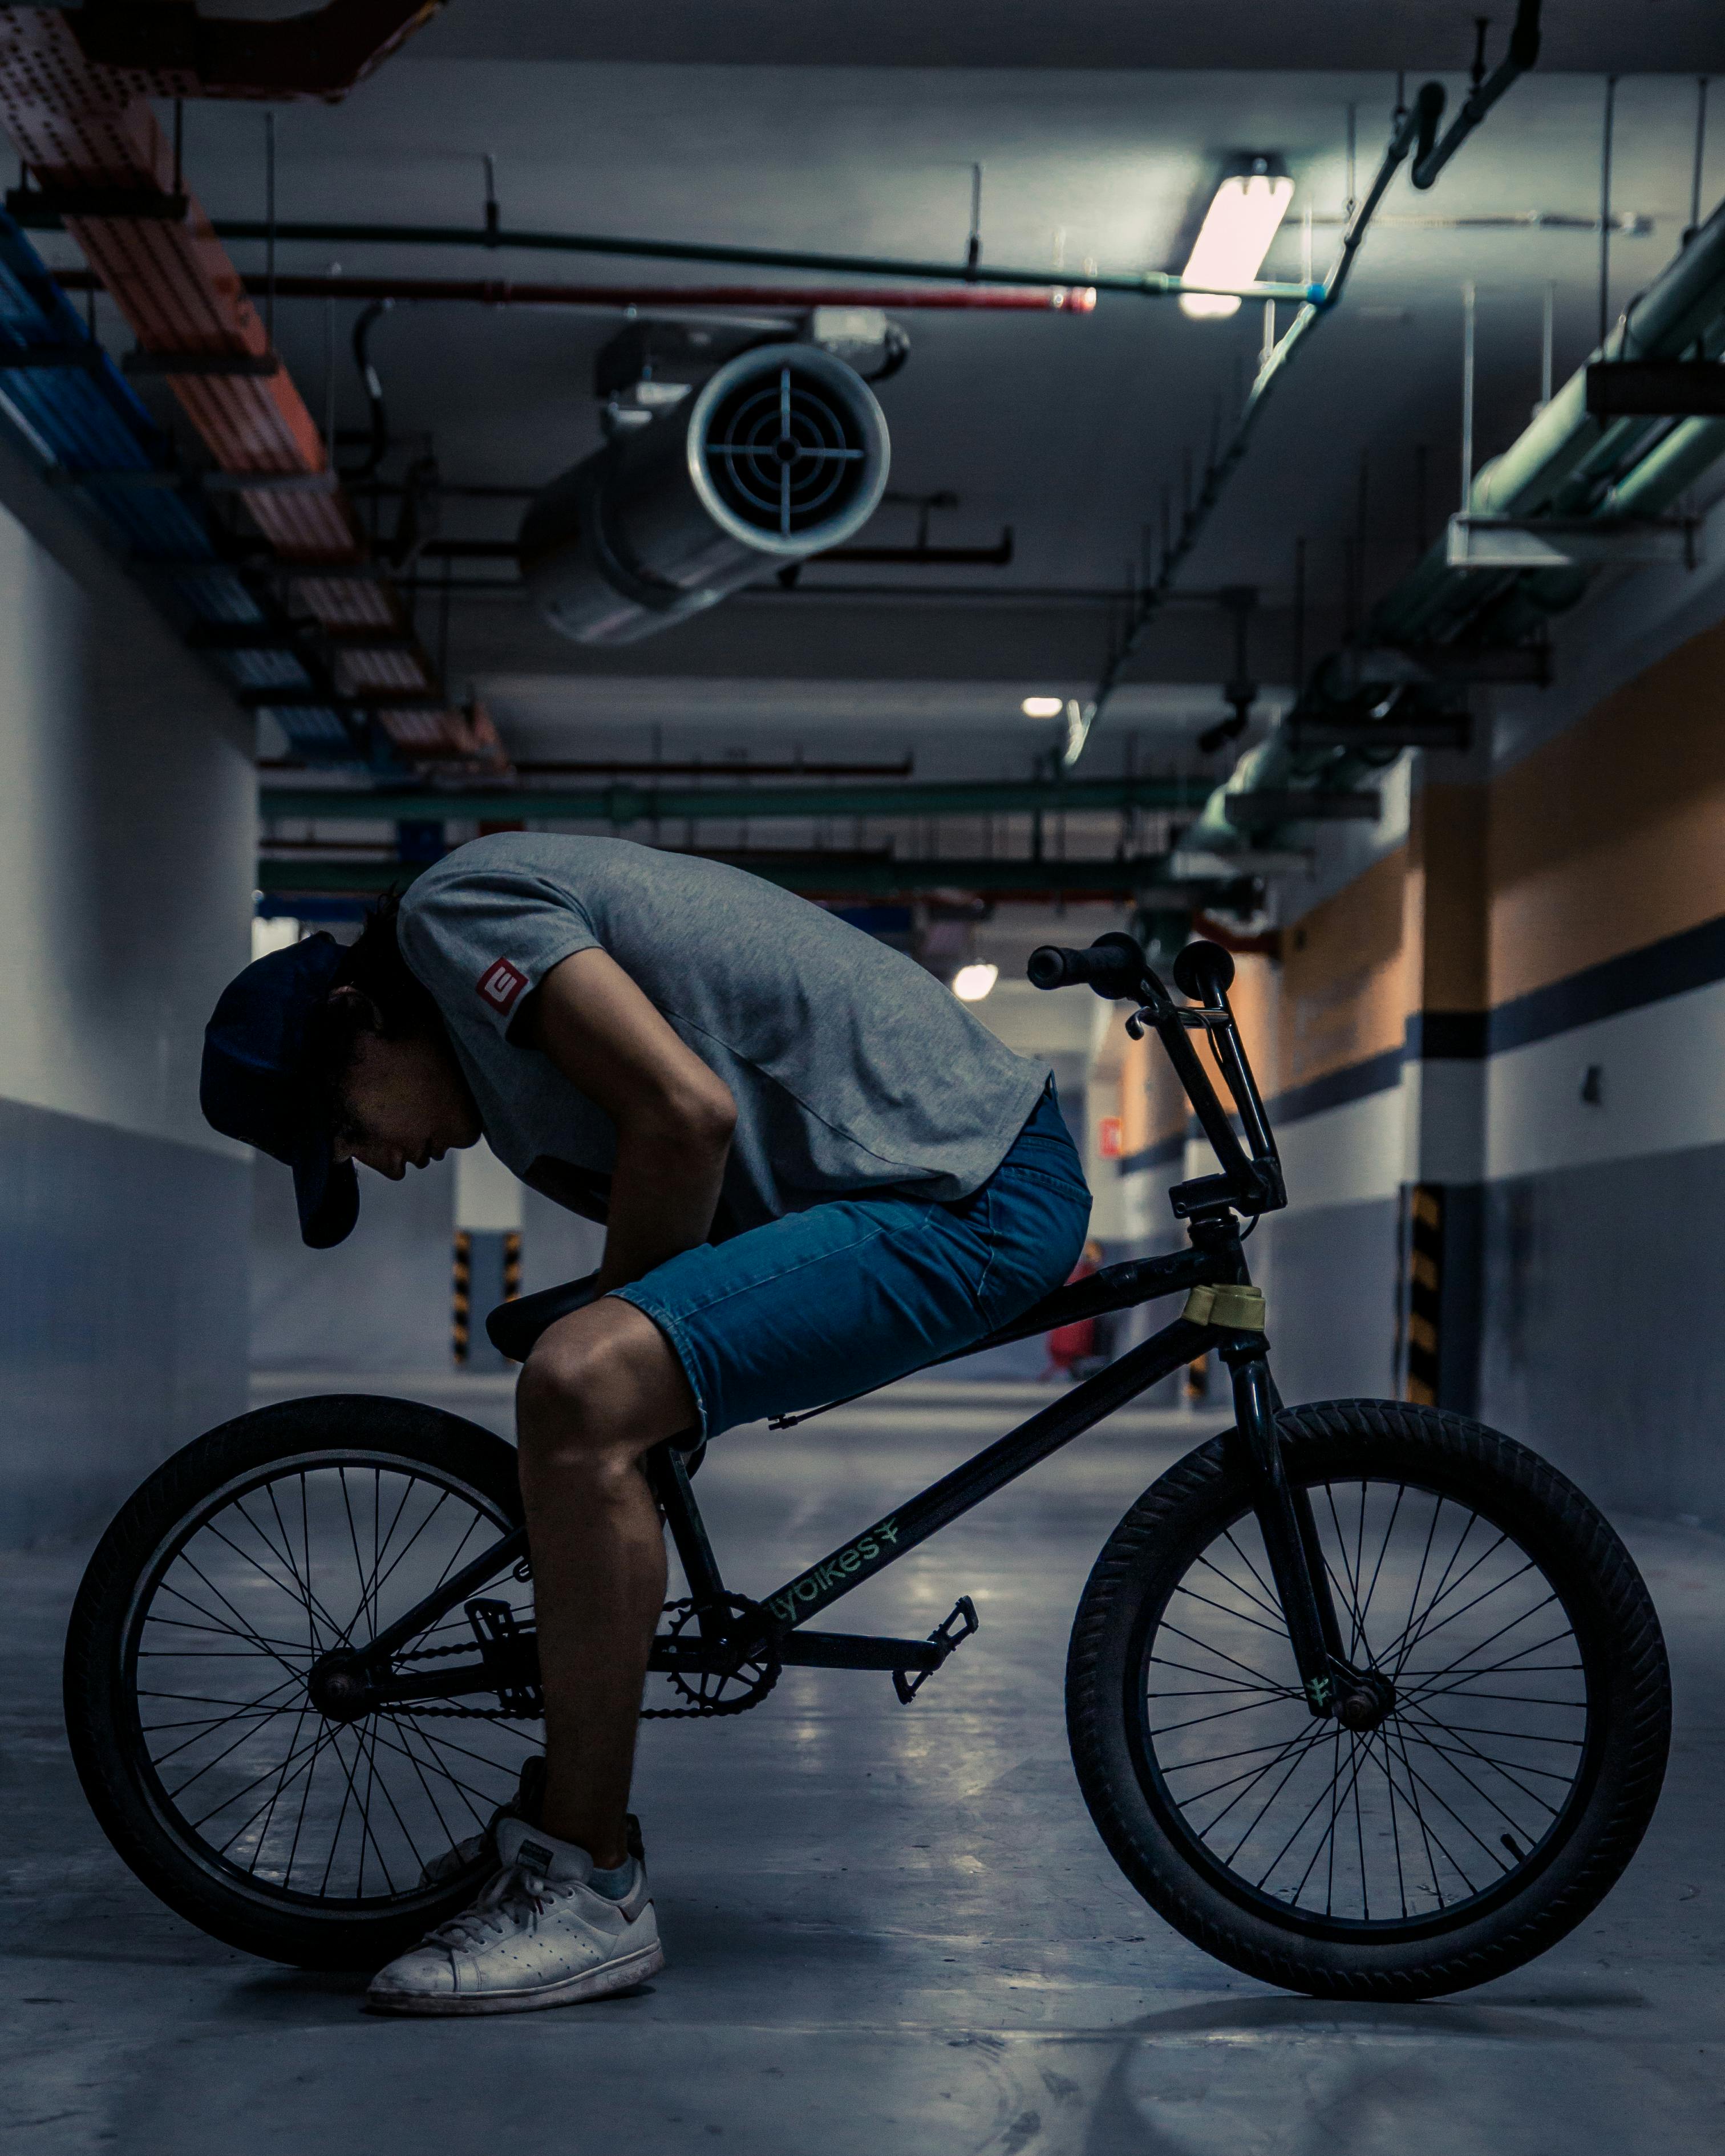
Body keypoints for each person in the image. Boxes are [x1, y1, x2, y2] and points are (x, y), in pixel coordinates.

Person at [200, 833, 1091, 2016]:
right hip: (904, 1190)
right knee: (582, 1375)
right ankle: (561, 1822)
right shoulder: (508, 1090)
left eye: (347, 1130)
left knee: (580, 1388)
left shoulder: (451, 914)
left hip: (965, 1190)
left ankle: (587, 1890)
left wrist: (614, 1357)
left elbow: (685, 1114)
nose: (377, 1163)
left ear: (362, 1017)